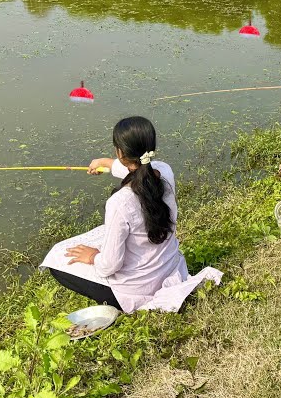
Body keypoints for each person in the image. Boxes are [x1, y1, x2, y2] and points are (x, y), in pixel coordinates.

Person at [39, 116, 189, 312]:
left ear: (120, 152)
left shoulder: (120, 202)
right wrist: (105, 163)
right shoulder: (165, 172)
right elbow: (138, 169)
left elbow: (110, 266)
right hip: (170, 268)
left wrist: (93, 256)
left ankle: (115, 304)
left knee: (57, 259)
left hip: (136, 289)